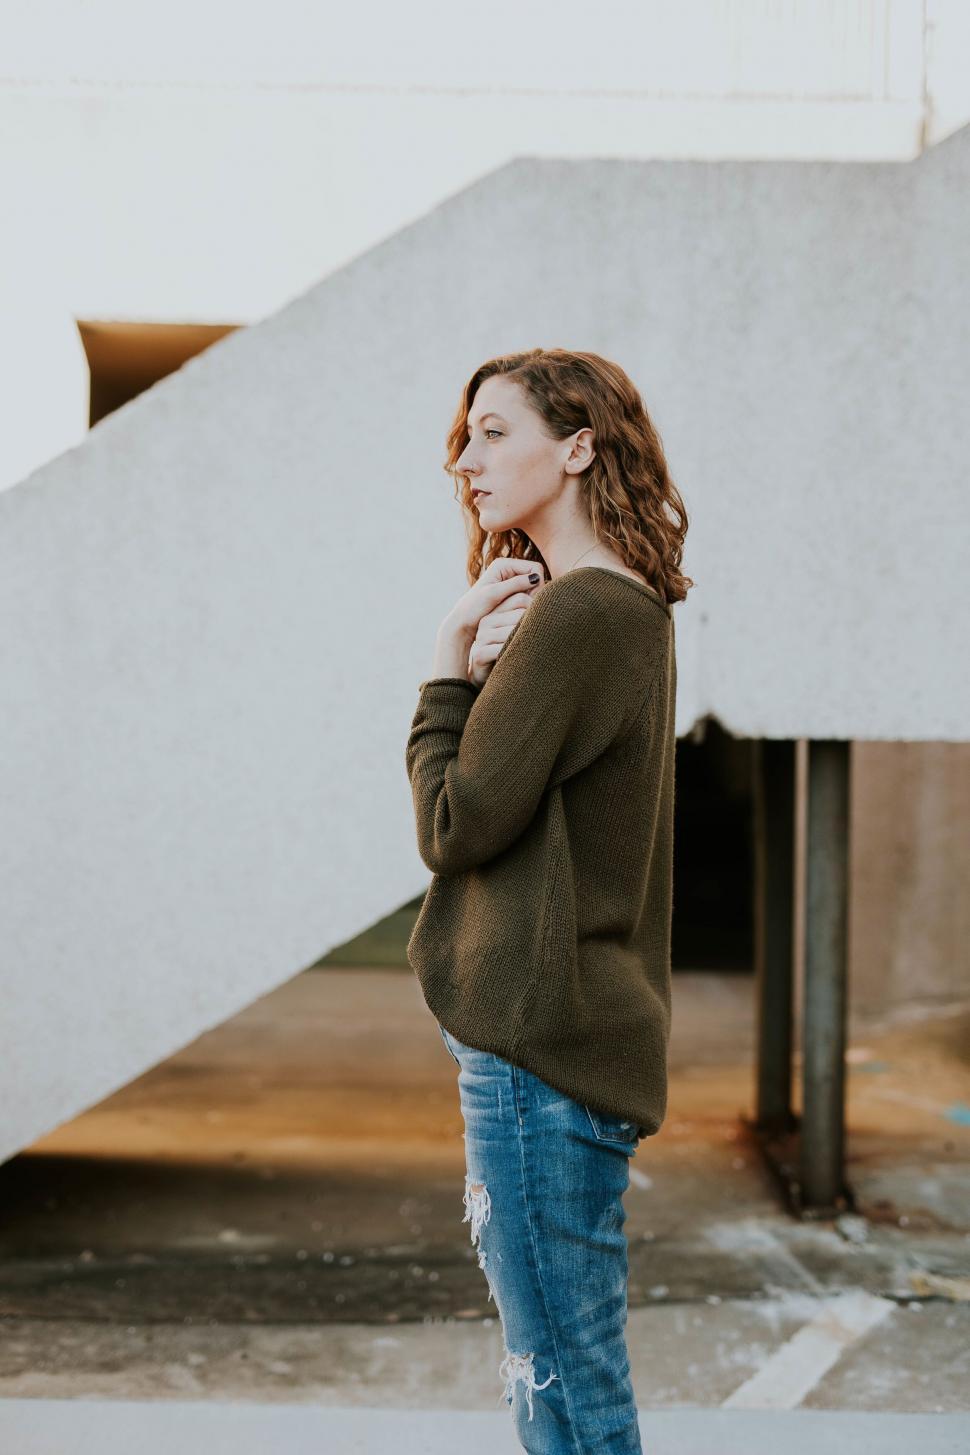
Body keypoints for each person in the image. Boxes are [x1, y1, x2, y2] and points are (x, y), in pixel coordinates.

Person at [405, 347, 692, 1453]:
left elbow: (454, 822)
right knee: (565, 1376)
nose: (466, 459)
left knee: (561, 1390)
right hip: (569, 1042)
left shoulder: (580, 615)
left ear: (576, 448)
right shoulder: (627, 610)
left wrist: (445, 665)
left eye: (493, 431)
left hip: (538, 1051)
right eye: (465, 435)